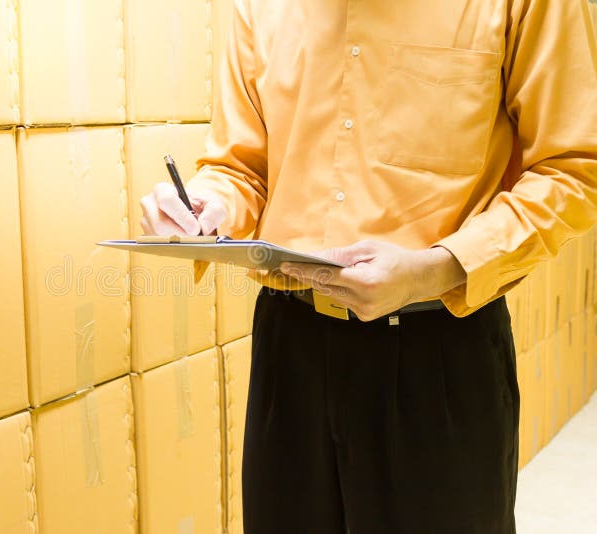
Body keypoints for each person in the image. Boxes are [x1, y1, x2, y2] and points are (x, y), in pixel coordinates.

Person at [140, 1, 597, 532]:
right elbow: (242, 167)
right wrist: (207, 206)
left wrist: (438, 267)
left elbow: (572, 169)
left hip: (438, 350)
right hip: (290, 349)